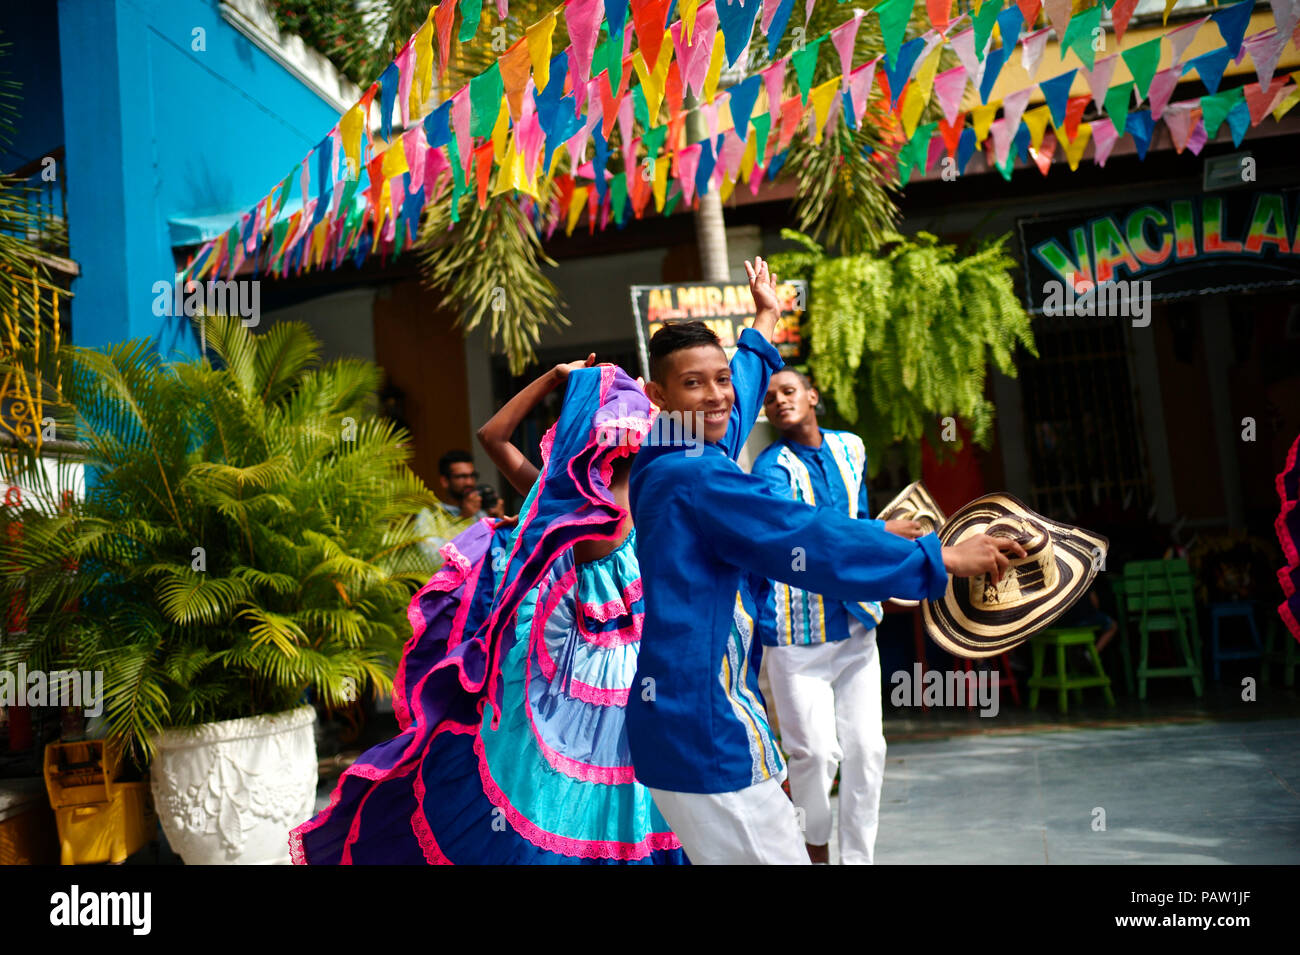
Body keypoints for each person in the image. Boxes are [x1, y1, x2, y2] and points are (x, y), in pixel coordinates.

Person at [289, 259, 783, 864]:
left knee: (633, 812)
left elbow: (496, 436)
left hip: (638, 674)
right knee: (635, 814)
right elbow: (495, 437)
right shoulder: (584, 505)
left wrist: (557, 380)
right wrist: (558, 379)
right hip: (612, 678)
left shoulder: (633, 485)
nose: (628, 433)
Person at [626, 297, 1028, 865]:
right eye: (695, 384)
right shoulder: (699, 476)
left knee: (863, 753)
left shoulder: (667, 451)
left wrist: (762, 327)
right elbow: (809, 538)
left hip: (683, 724)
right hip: (705, 729)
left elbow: (731, 399)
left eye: (722, 379)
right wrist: (939, 559)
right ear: (658, 397)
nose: (717, 395)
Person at [751, 368, 923, 865]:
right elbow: (808, 533)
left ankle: (857, 861)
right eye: (770, 397)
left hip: (854, 626)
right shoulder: (770, 470)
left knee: (869, 752)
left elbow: (851, 513)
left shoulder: (852, 447)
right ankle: (814, 850)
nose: (780, 401)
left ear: (812, 396)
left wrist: (881, 560)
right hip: (795, 634)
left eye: (789, 391)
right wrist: (880, 530)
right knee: (816, 755)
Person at [414, 450, 482, 567]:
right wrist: (463, 520)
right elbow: (432, 559)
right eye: (462, 477)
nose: (469, 482)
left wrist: (499, 518)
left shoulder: (480, 512)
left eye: (472, 476)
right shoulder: (429, 515)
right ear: (445, 481)